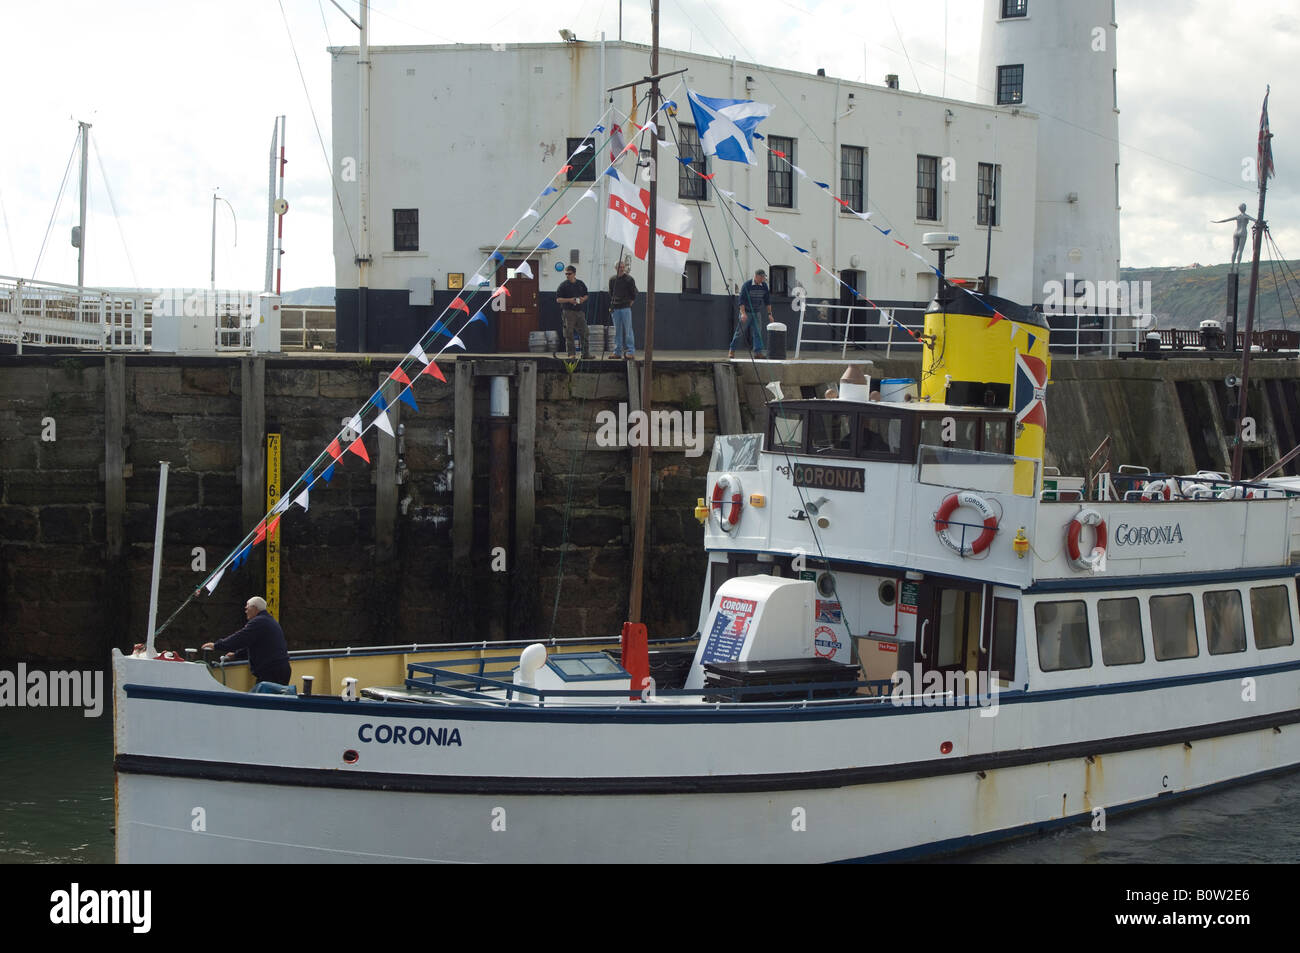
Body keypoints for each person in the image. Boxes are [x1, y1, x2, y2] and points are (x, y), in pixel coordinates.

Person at [201, 596, 291, 686]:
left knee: (265, 697)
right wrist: (236, 655)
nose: (246, 611)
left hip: (272, 671)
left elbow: (240, 638)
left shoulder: (259, 622)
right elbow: (253, 643)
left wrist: (216, 645)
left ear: (254, 608)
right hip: (279, 669)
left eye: (247, 608)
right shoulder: (268, 620)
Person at [729, 269, 773, 359]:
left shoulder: (764, 286)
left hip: (756, 312)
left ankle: (758, 352)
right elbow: (741, 301)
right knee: (739, 332)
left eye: (764, 277)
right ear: (756, 276)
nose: (763, 279)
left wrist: (770, 314)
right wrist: (743, 314)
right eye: (762, 277)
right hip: (747, 312)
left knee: (758, 333)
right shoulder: (747, 285)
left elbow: (767, 301)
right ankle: (732, 350)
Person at [556, 265, 590, 358]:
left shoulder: (580, 283)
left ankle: (585, 354)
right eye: (566, 274)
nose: (567, 275)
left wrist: (583, 299)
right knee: (569, 333)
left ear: (574, 274)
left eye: (569, 274)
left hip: (579, 311)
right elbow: (558, 299)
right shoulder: (563, 285)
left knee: (585, 332)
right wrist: (569, 300)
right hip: (568, 312)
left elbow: (586, 294)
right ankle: (571, 354)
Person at [607, 259, 637, 359]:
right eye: (620, 267)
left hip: (625, 308)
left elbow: (633, 294)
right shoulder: (612, 279)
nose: (622, 269)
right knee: (617, 331)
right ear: (615, 268)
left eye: (623, 267)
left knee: (628, 330)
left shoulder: (629, 279)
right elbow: (611, 293)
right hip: (615, 308)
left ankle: (630, 351)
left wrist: (628, 304)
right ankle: (617, 352)